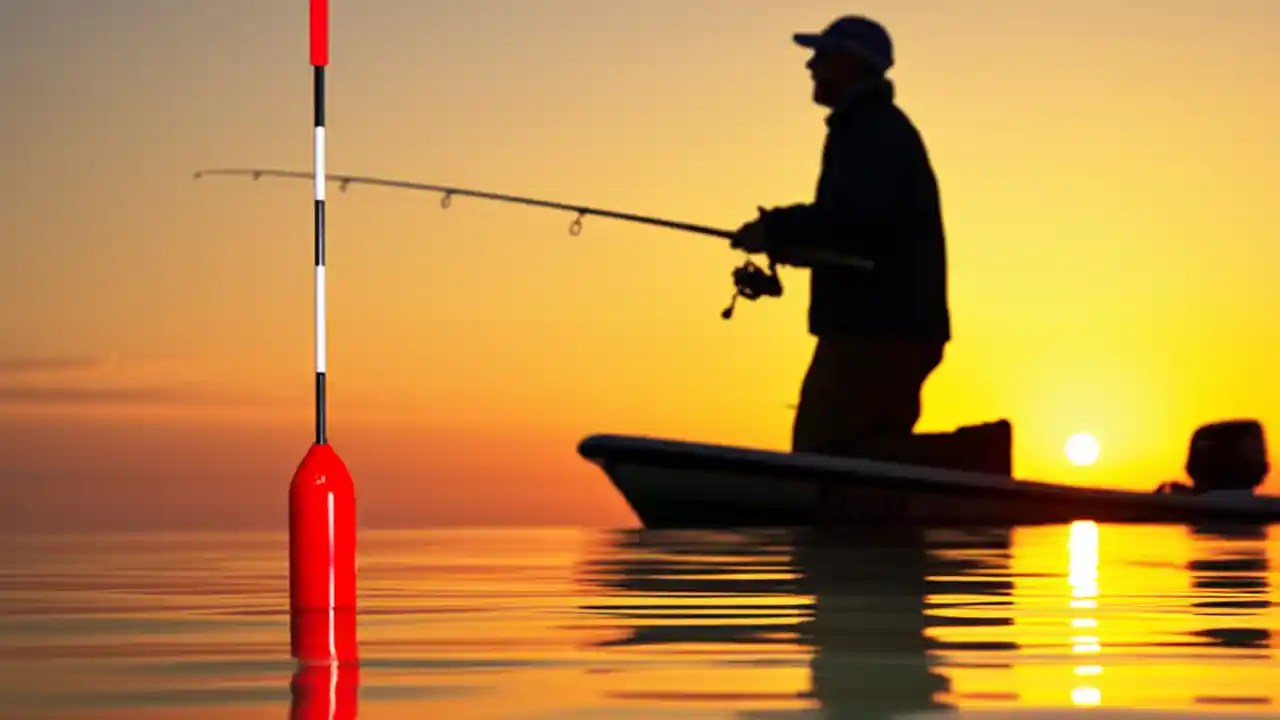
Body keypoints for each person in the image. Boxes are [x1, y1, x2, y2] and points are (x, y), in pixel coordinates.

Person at [732, 15, 989, 465]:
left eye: (822, 56)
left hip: (876, 331)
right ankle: (972, 470)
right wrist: (782, 238)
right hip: (890, 327)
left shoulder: (872, 130)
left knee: (824, 455)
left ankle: (977, 462)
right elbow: (855, 229)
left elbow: (852, 223)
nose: (811, 66)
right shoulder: (870, 128)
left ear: (852, 63)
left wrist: (775, 230)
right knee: (859, 454)